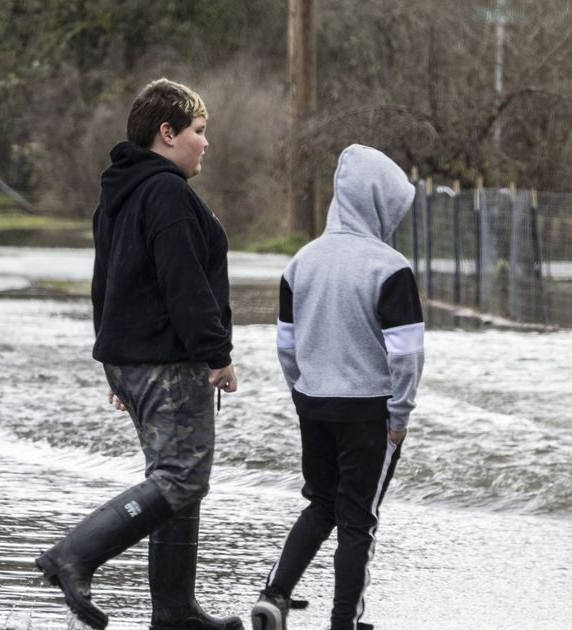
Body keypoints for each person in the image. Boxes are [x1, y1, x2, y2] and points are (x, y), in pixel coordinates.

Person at [35, 78, 242, 630]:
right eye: (199, 132)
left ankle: (175, 612)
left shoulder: (120, 192)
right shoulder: (167, 192)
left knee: (173, 481)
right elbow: (184, 283)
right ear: (166, 132)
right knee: (181, 479)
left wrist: (113, 359)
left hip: (131, 359)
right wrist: (216, 352)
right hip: (168, 361)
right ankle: (75, 555)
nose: (205, 144)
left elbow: (106, 283)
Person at [250, 144, 424, 630]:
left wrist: (301, 391)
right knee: (357, 519)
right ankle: (344, 622)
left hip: (313, 403)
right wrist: (401, 414)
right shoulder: (390, 267)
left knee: (320, 502)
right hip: (367, 410)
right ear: (378, 203)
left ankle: (275, 596)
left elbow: (286, 344)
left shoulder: (300, 262)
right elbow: (406, 354)